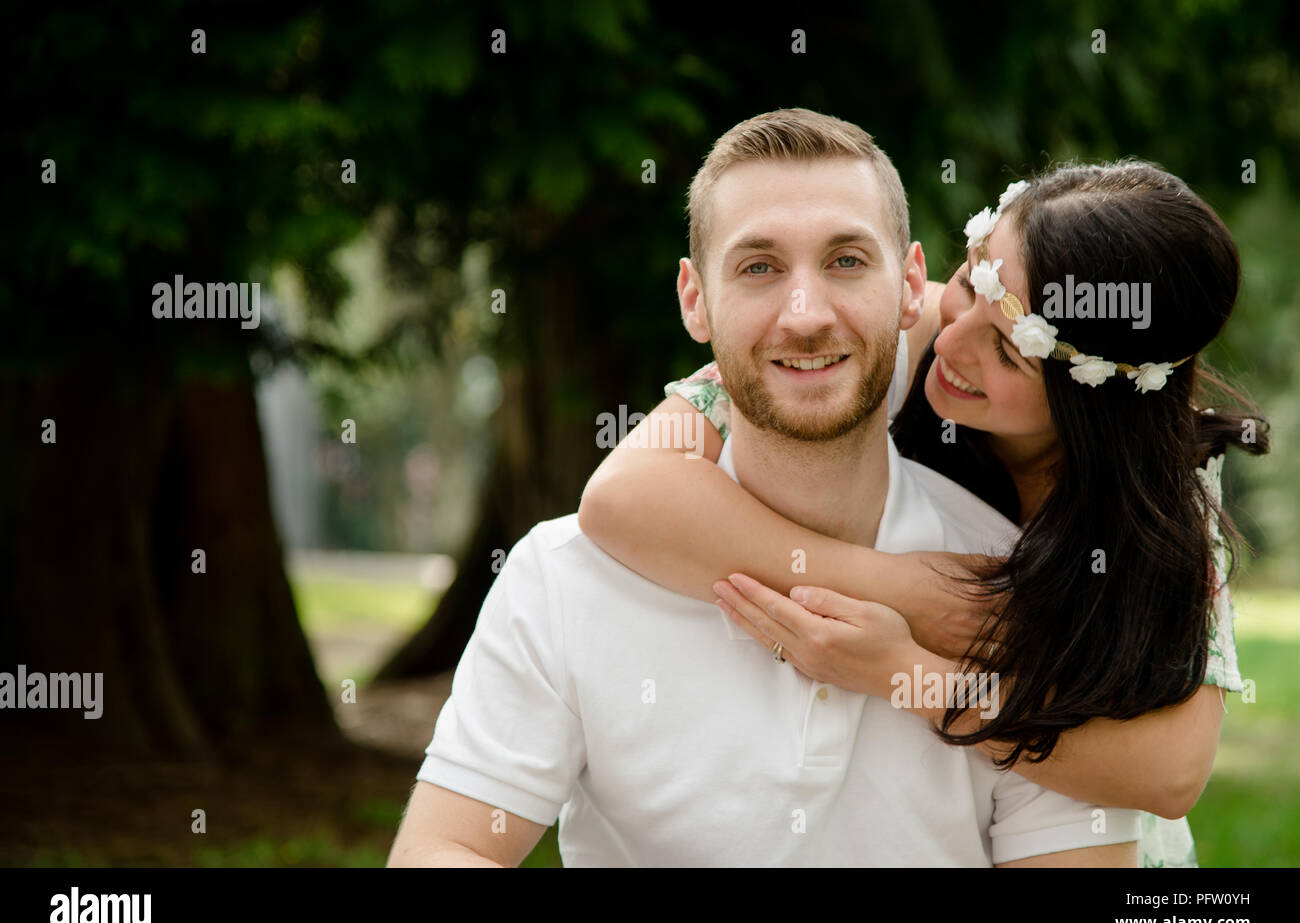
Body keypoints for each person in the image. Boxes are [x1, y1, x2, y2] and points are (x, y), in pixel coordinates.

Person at [388, 108, 1143, 867]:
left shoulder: (1014, 588)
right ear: (694, 299)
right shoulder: (564, 575)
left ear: (913, 285)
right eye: (758, 267)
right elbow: (445, 847)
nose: (805, 315)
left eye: (847, 260)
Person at [577, 137, 1268, 867]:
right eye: (970, 280)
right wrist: (910, 587)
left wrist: (906, 671)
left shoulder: (1171, 500)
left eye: (1006, 351)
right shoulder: (897, 331)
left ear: (1092, 401)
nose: (952, 340)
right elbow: (625, 496)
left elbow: (1168, 772)